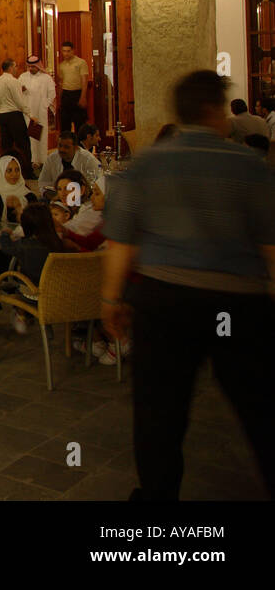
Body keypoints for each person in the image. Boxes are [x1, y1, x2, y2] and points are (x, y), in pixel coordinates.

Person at [102, 70, 275, 501]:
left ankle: (159, 498)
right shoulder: (250, 166)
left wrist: (111, 299)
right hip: (236, 306)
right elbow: (272, 247)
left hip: (165, 302)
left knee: (159, 412)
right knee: (260, 408)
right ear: (215, 110)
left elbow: (121, 240)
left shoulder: (147, 164)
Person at [0, 202, 76, 333]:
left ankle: (21, 314)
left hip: (33, 294)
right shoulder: (59, 243)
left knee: (14, 285)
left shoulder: (24, 245)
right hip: (58, 293)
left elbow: (6, 247)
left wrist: (4, 234)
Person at [0, 59, 33, 176]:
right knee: (23, 145)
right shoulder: (13, 81)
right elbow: (19, 101)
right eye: (15, 66)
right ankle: (27, 171)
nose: (17, 69)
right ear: (10, 67)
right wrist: (30, 114)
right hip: (14, 115)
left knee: (6, 146)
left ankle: (5, 170)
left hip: (3, 116)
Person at [18, 54, 57, 170]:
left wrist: (45, 104)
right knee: (30, 136)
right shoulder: (23, 77)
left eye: (33, 67)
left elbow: (52, 94)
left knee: (41, 135)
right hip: (28, 111)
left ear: (38, 66)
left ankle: (43, 160)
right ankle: (33, 160)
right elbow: (17, 91)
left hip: (41, 111)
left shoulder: (46, 78)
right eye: (29, 67)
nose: (31, 69)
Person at [54, 168, 105, 251]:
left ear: (81, 190)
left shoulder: (92, 211)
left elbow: (76, 229)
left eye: (68, 189)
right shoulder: (61, 208)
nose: (62, 194)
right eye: (59, 189)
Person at [38, 131, 103, 195]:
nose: (61, 150)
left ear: (76, 148)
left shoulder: (89, 160)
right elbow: (43, 182)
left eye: (66, 147)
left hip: (82, 198)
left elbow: (96, 185)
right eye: (60, 146)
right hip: (57, 196)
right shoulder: (51, 158)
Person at [57, 40, 90, 133]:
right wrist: (60, 98)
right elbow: (61, 82)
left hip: (77, 93)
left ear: (73, 51)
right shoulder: (61, 65)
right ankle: (67, 145)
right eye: (64, 51)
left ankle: (80, 146)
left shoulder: (81, 62)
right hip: (66, 94)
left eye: (68, 51)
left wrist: (83, 97)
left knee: (79, 123)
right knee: (65, 123)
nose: (66, 53)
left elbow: (84, 80)